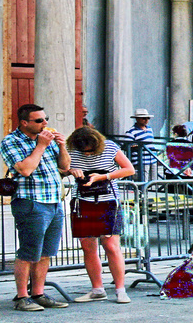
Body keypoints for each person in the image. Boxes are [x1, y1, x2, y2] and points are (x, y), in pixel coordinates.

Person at [0, 103, 73, 311]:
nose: (45, 123)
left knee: (46, 252)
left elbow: (65, 167)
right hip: (30, 201)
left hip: (53, 201)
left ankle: (38, 293)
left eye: (45, 119)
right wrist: (40, 146)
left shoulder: (48, 140)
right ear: (24, 122)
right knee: (28, 251)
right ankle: (21, 297)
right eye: (39, 120)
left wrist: (61, 146)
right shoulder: (11, 141)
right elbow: (24, 169)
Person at [65, 125, 135, 303]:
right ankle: (97, 289)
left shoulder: (110, 146)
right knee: (88, 246)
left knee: (111, 245)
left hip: (108, 200)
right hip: (82, 201)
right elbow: (60, 169)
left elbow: (129, 169)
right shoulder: (70, 150)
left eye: (90, 151)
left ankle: (120, 289)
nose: (87, 154)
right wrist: (70, 171)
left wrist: (103, 176)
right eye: (84, 152)